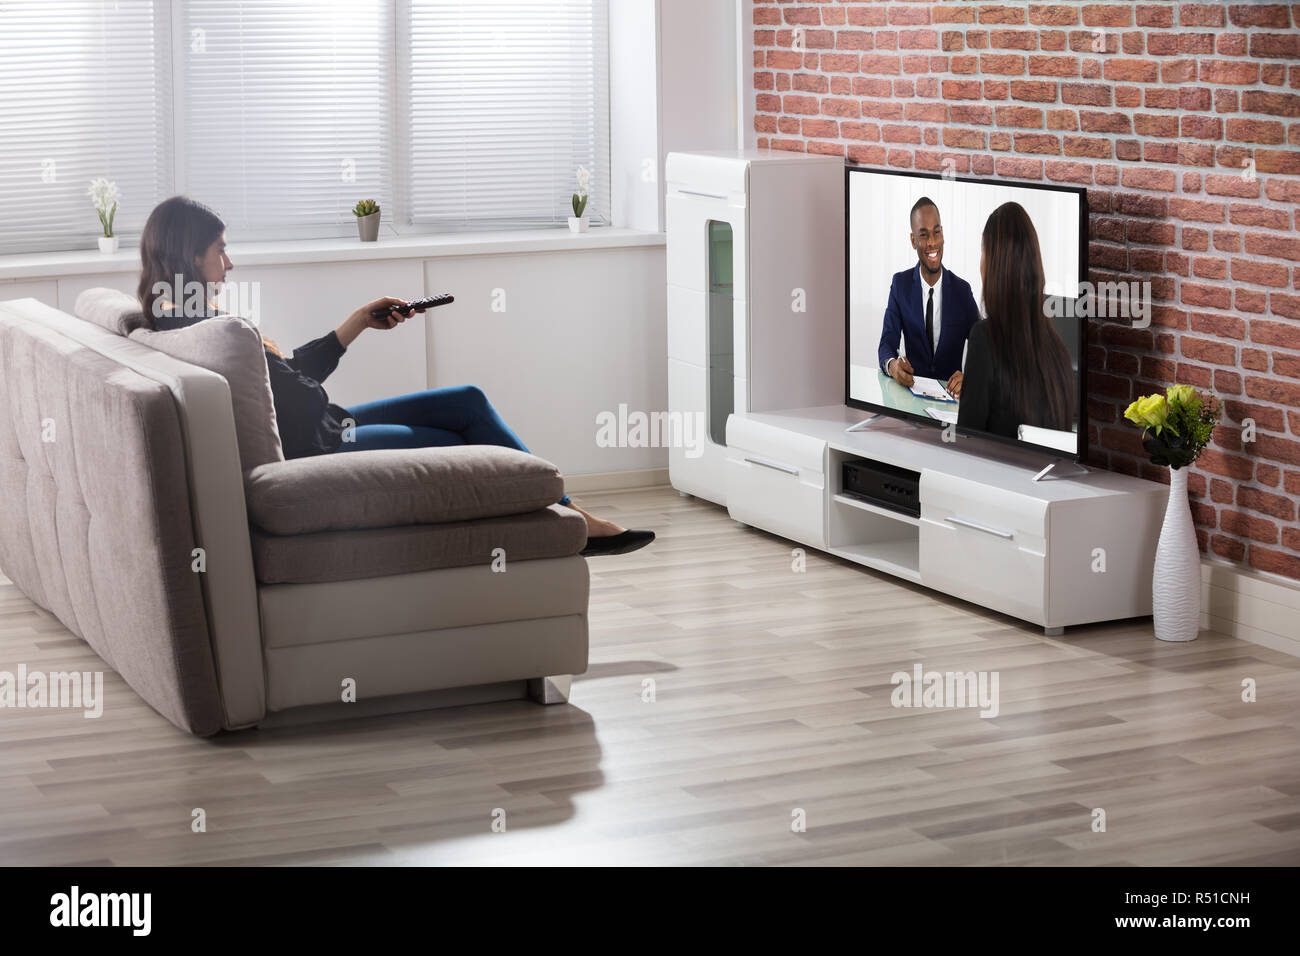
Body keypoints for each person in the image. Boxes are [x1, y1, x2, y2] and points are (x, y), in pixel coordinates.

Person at [137, 196, 654, 557]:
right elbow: (299, 402)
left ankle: (570, 514)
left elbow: (282, 383)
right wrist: (270, 352)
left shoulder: (180, 317)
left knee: (467, 401)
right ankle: (573, 524)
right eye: (220, 250)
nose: (229, 263)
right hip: (317, 446)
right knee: (455, 439)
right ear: (191, 255)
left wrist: (358, 323)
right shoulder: (215, 328)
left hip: (321, 427)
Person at [957, 201, 1075, 440]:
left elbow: (965, 443)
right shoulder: (1059, 353)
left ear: (995, 264)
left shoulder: (984, 338)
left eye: (983, 251)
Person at [877, 196, 981, 398]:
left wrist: (971, 376)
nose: (932, 243)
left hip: (951, 405)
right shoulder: (900, 285)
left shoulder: (962, 291)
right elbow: (886, 343)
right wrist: (893, 367)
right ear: (913, 240)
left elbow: (985, 348)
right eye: (924, 235)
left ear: (943, 234)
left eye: (937, 233)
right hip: (911, 400)